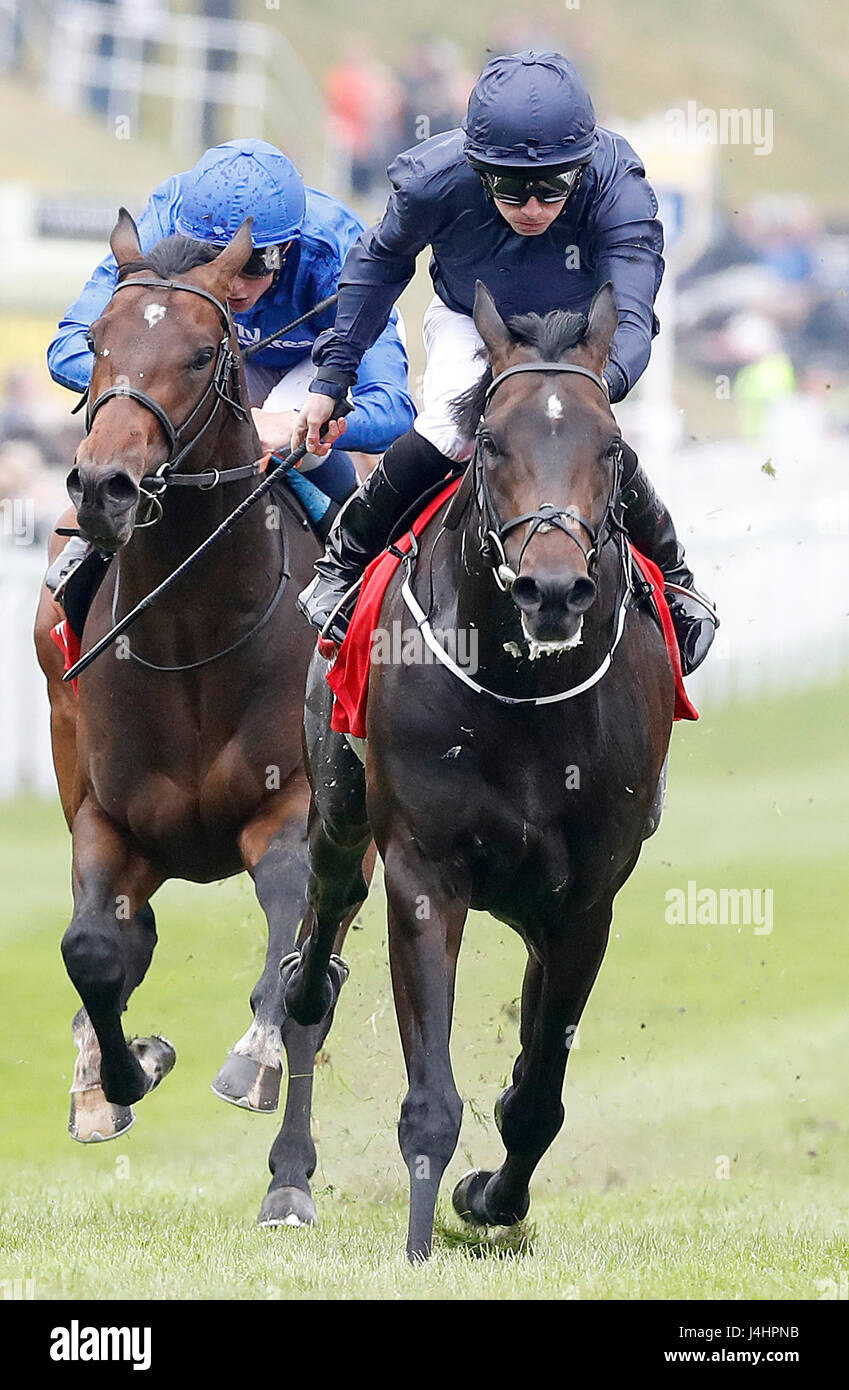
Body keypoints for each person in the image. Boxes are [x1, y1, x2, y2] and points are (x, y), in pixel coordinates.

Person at [294, 52, 717, 674]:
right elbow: (380, 266)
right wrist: (332, 379)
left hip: (577, 335)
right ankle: (344, 562)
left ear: (583, 167)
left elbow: (632, 308)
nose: (532, 206)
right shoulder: (434, 178)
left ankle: (677, 585)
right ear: (477, 167)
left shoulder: (617, 183)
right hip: (474, 319)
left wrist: (603, 381)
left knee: (588, 436)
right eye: (510, 187)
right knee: (447, 428)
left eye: (551, 187)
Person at [45, 138, 415, 591]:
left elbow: (394, 411)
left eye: (254, 264)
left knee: (281, 442)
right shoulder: (166, 218)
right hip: (197, 358)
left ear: (289, 248)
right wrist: (149, 389)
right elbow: (67, 348)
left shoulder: (338, 250)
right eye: (211, 261)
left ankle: (350, 566)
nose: (232, 285)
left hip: (317, 366)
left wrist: (297, 424)